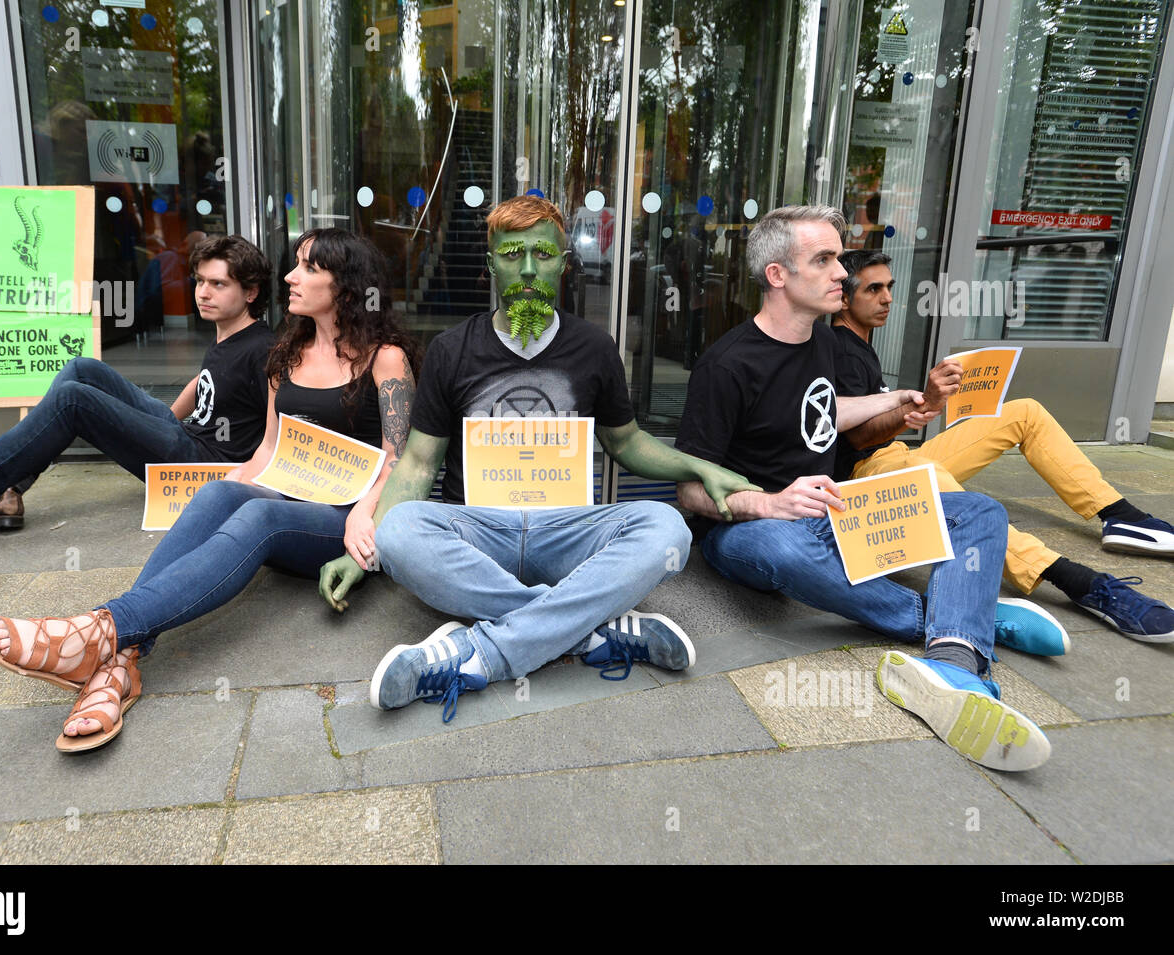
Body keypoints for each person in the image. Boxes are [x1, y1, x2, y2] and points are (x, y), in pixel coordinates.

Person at [0, 229, 418, 752]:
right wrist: (218, 490)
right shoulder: (286, 355)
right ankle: (118, 662)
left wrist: (366, 514)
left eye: (308, 268)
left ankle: (92, 637)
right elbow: (267, 453)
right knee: (222, 496)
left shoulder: (385, 358)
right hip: (288, 496)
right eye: (294, 264)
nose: (290, 277)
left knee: (259, 518)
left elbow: (397, 458)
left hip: (343, 523)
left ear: (347, 285)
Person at [318, 195, 756, 721]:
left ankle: (475, 652)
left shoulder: (595, 348)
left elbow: (627, 443)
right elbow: (416, 465)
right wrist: (363, 552)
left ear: (564, 264)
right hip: (480, 533)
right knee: (400, 531)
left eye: (544, 255)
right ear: (490, 265)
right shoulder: (451, 350)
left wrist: (697, 466)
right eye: (512, 254)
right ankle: (588, 629)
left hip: (566, 531)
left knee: (666, 528)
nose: (528, 270)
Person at [675, 204, 1070, 772]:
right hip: (750, 528)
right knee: (781, 547)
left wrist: (896, 398)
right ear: (778, 275)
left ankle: (952, 664)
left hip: (838, 511)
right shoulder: (727, 366)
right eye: (825, 259)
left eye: (839, 257)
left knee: (979, 511)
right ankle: (959, 623)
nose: (842, 272)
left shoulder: (823, 342)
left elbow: (819, 411)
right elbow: (689, 490)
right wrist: (769, 502)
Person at [833, 250, 1173, 644]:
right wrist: (919, 404)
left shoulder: (861, 343)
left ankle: (1120, 515)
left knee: (1023, 412)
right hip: (863, 475)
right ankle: (1082, 582)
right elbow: (856, 436)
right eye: (873, 289)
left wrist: (931, 401)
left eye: (889, 287)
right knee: (931, 477)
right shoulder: (838, 347)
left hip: (896, 454)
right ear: (844, 299)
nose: (888, 297)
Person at [0, 235, 276, 554]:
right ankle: (9, 490)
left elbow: (283, 420)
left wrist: (246, 483)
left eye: (218, 284)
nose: (203, 293)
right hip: (182, 437)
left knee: (73, 400)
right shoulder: (228, 333)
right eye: (200, 282)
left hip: (203, 468)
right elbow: (203, 381)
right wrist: (159, 421)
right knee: (81, 368)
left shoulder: (264, 350)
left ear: (251, 292)